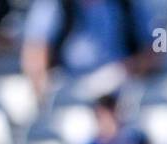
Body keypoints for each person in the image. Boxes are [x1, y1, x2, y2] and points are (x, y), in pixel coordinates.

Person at [21, 0, 152, 99]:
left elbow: (158, 41)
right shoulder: (54, 4)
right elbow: (34, 50)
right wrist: (42, 95)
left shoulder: (127, 3)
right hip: (71, 91)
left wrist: (130, 67)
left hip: (121, 89)